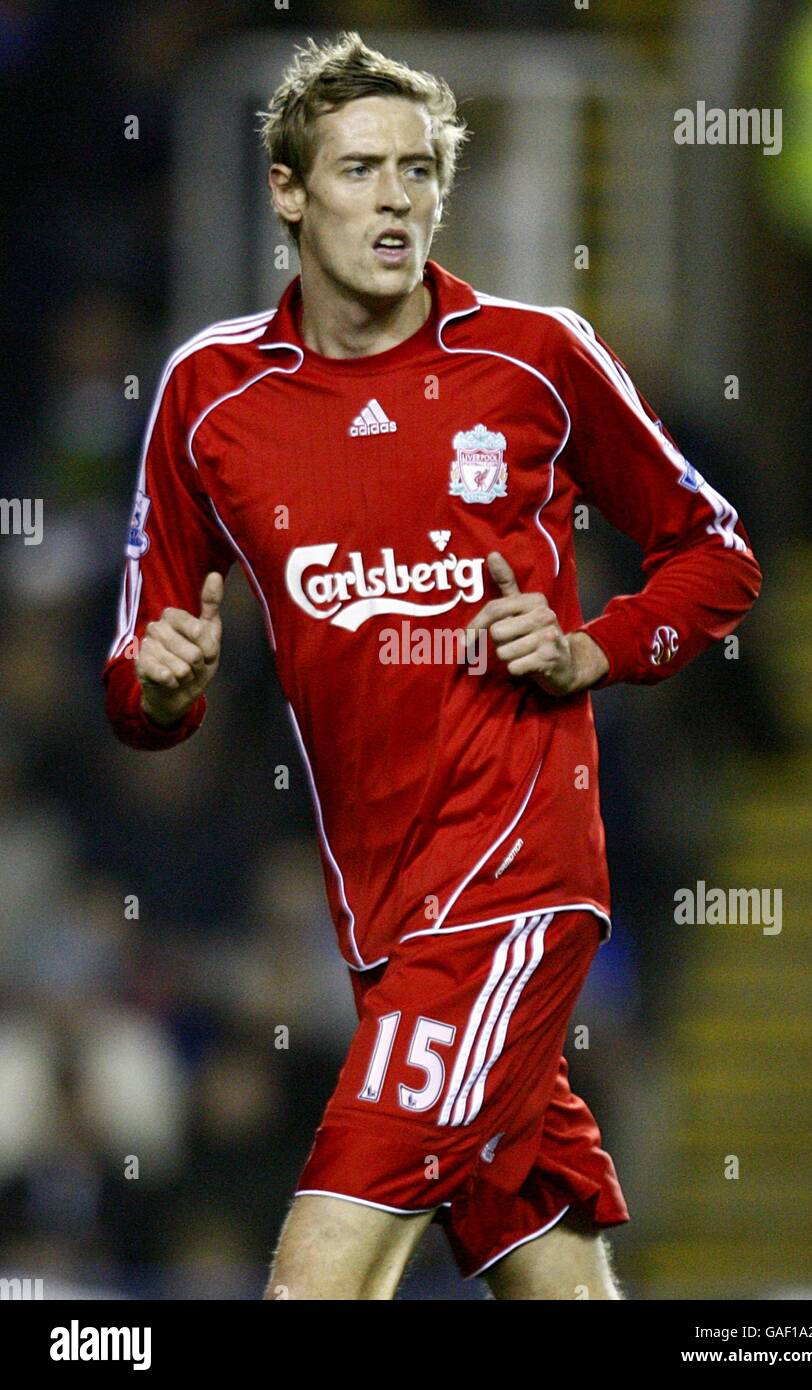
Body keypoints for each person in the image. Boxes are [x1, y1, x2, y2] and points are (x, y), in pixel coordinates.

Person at [103, 31, 762, 1300]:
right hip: (382, 915)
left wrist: (592, 646)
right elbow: (139, 679)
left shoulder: (534, 356)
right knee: (549, 1273)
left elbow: (713, 552)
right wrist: (165, 687)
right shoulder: (208, 396)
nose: (395, 196)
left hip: (515, 880)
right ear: (289, 191)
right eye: (359, 169)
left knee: (312, 1284)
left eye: (417, 168)